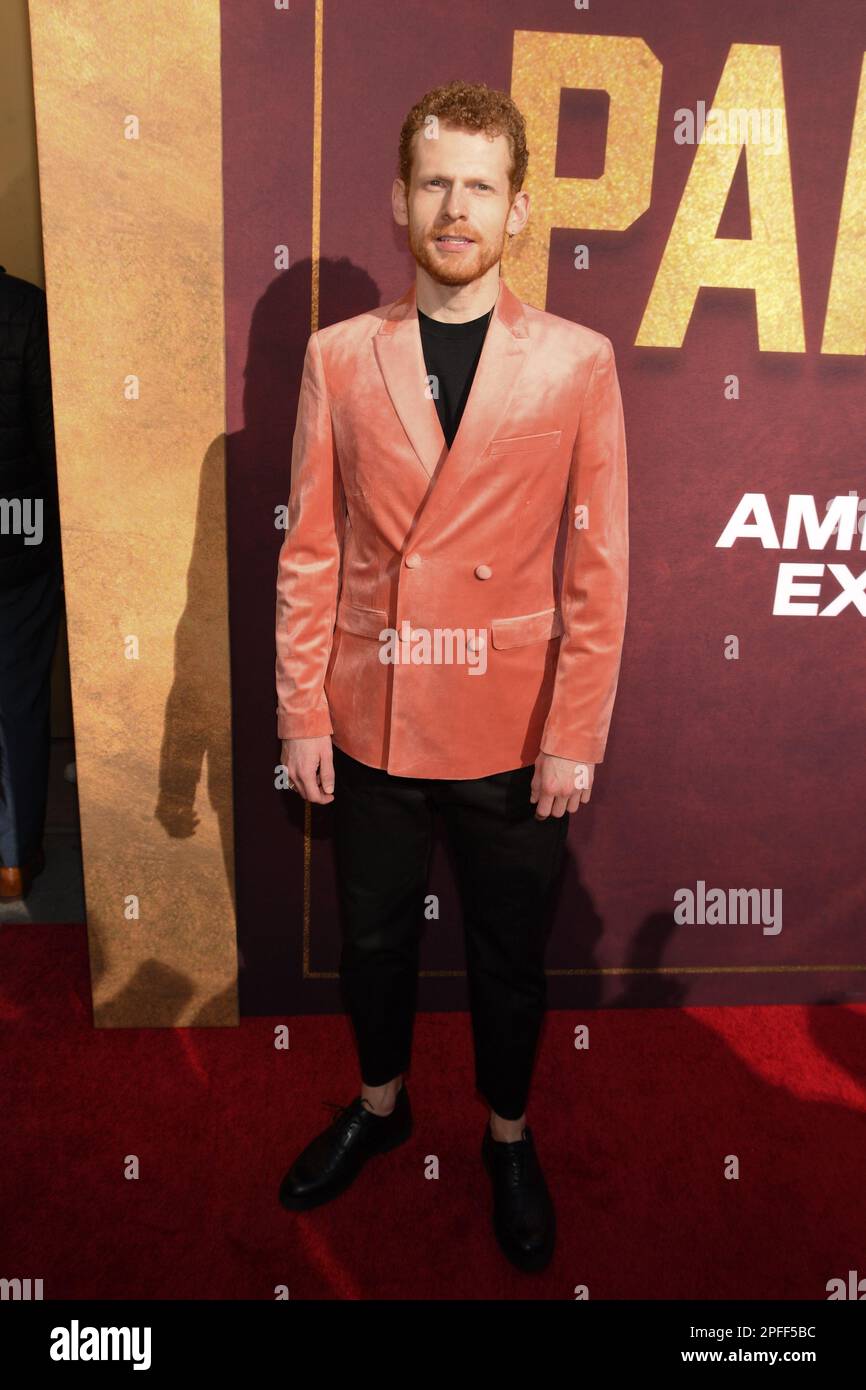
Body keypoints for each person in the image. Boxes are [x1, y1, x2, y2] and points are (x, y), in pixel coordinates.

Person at [274, 81, 629, 1272]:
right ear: (397, 200)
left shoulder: (578, 364)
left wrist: (574, 730)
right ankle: (381, 1106)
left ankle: (507, 1134)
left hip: (514, 723)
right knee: (373, 943)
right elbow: (310, 550)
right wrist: (300, 711)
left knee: (505, 955)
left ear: (518, 209)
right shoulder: (338, 357)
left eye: (479, 185)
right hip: (370, 716)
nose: (455, 206)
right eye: (435, 181)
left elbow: (598, 564)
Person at [0, 266, 63, 902]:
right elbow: (51, 438)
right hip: (19, 548)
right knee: (17, 705)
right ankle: (14, 859)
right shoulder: (24, 307)